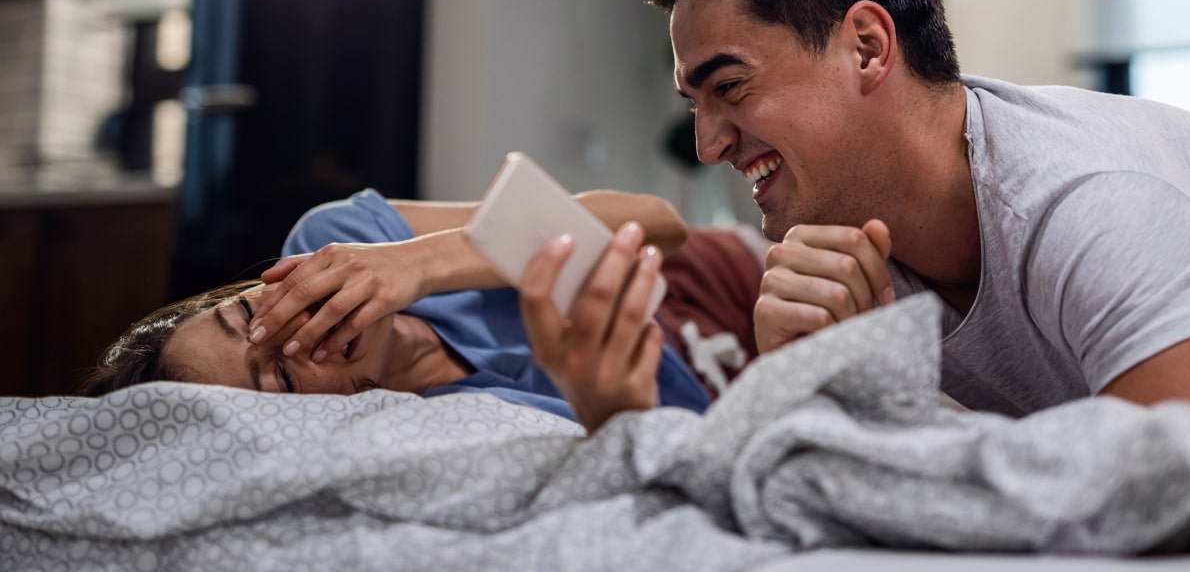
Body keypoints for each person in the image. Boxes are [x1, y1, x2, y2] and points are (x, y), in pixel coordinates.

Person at [644, 0, 1190, 415]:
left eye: (729, 86)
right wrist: (809, 395)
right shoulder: (849, 244)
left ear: (867, 48)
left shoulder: (1097, 208)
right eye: (695, 104)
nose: (708, 147)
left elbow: (1161, 494)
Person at [84, 188, 766, 433]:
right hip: (731, 390)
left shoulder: (335, 237)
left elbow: (658, 222)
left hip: (700, 287)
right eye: (283, 378)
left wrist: (422, 262)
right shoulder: (442, 432)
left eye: (245, 315)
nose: (295, 329)